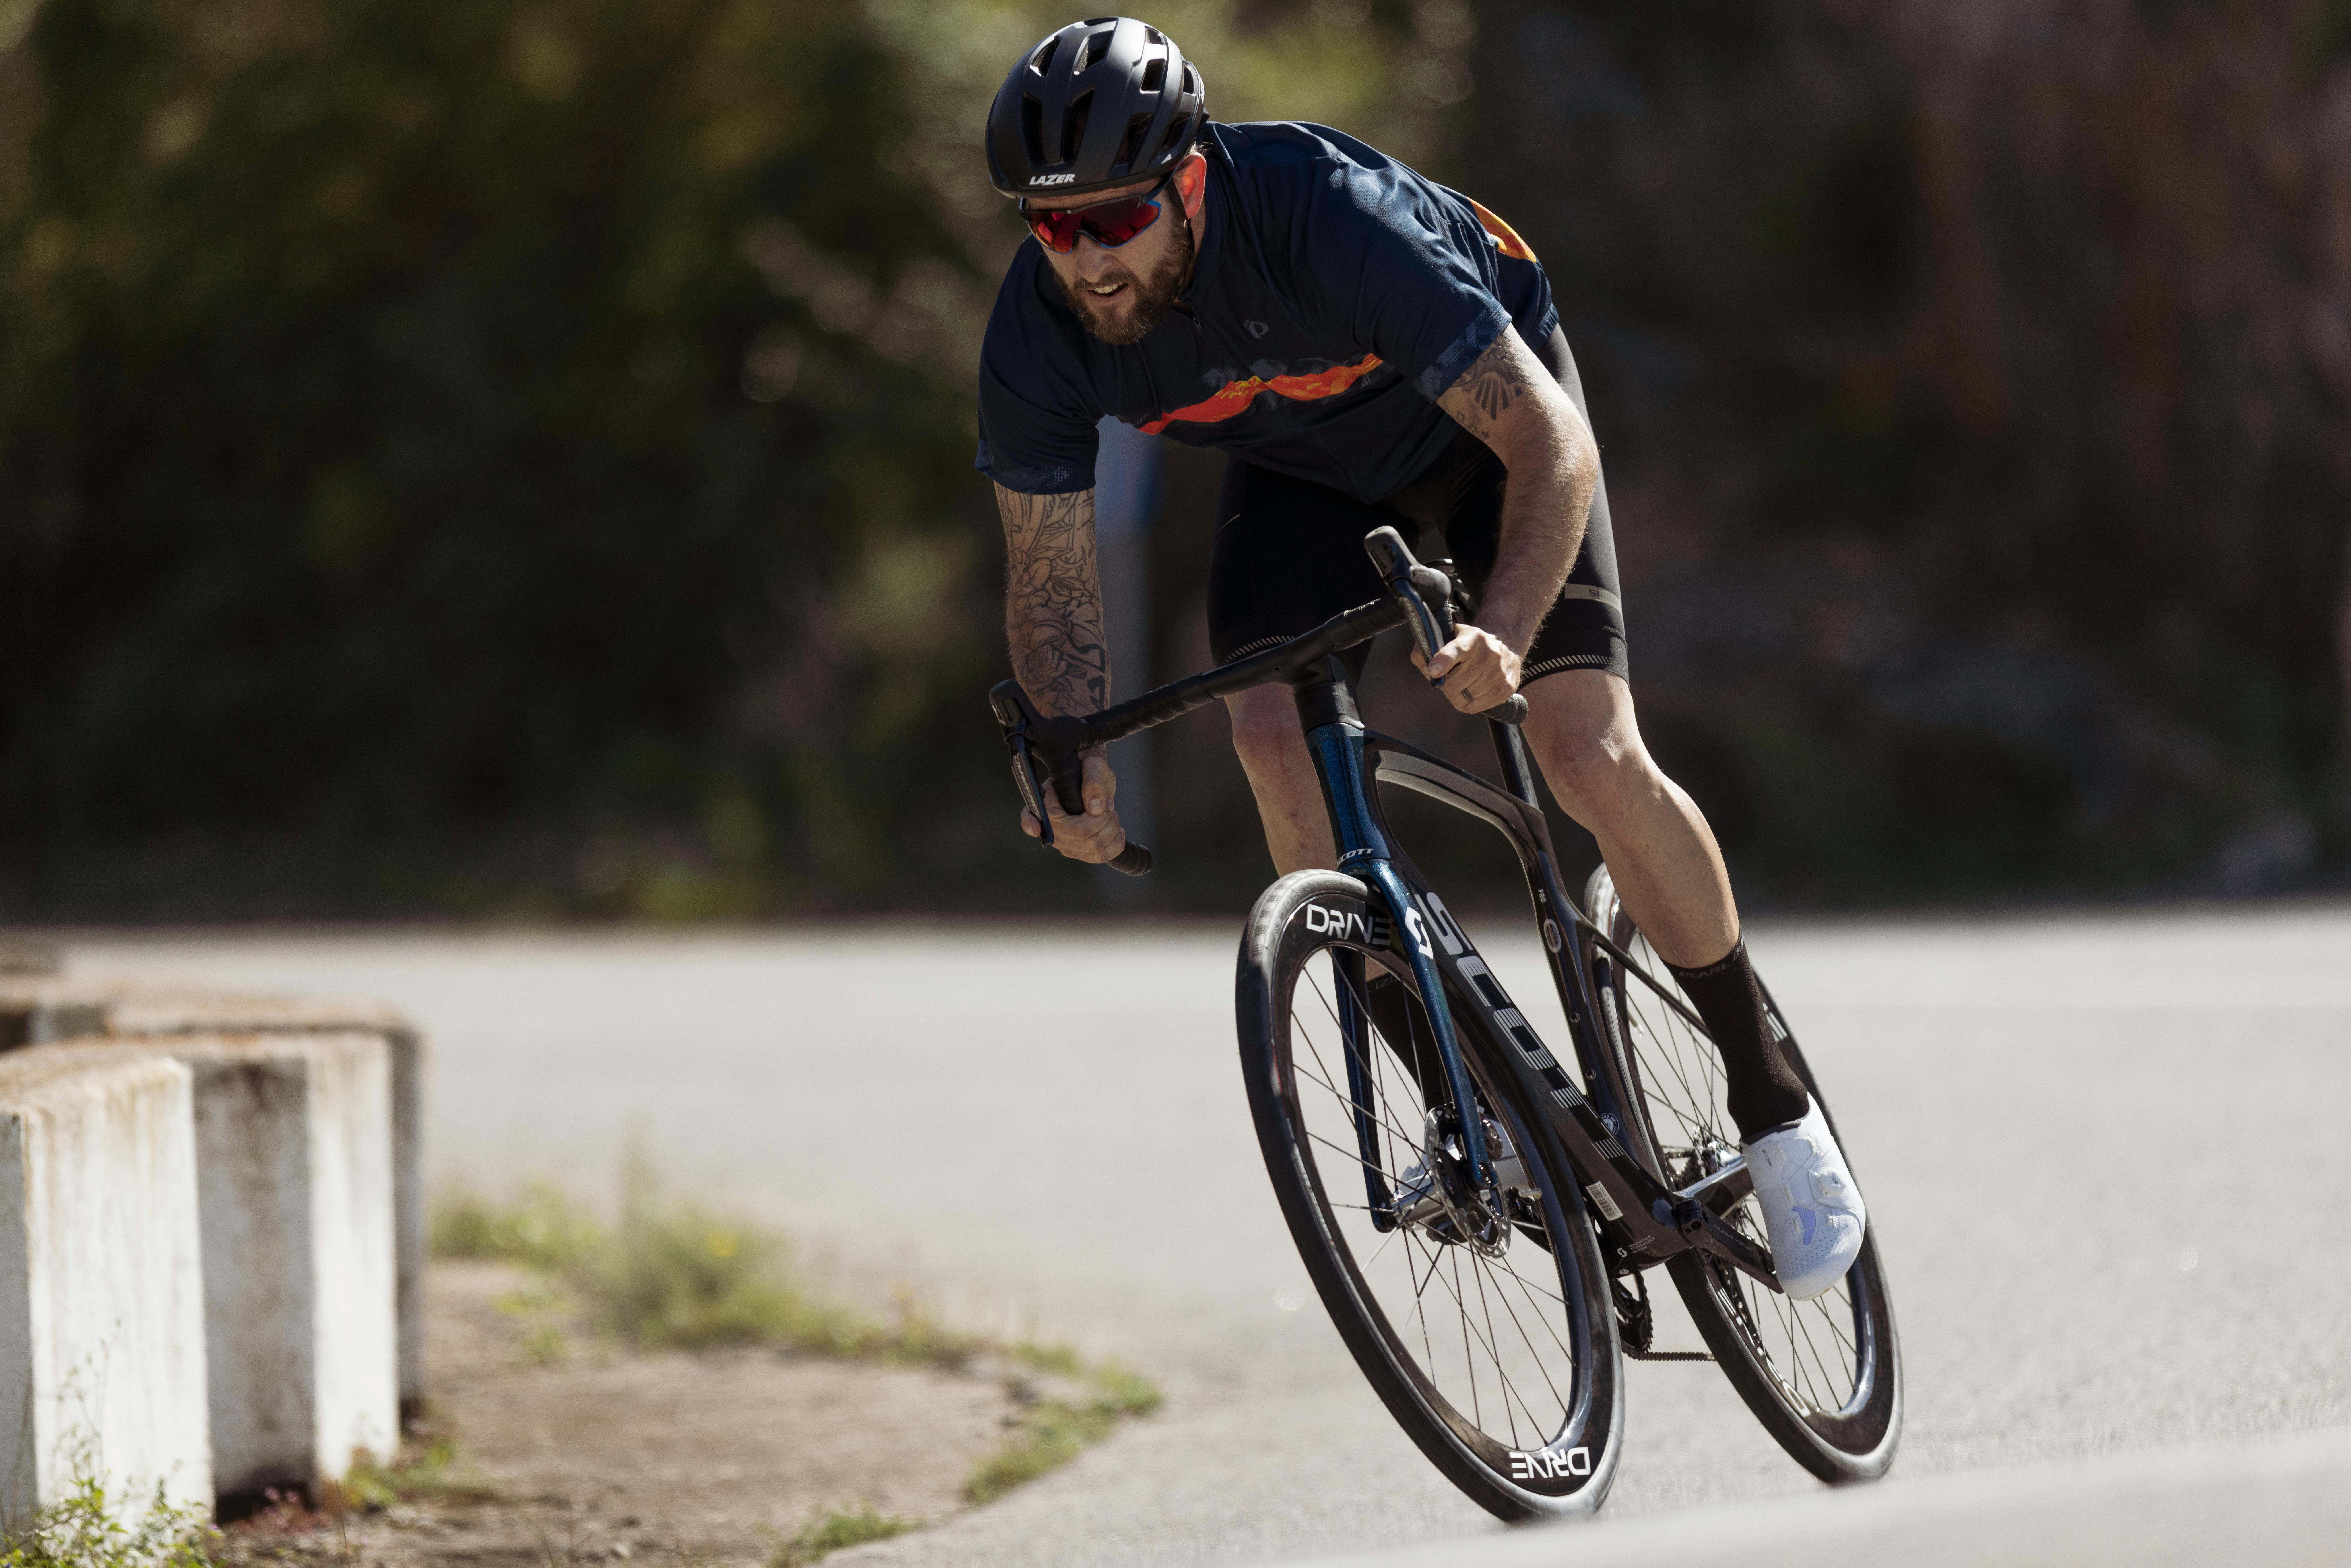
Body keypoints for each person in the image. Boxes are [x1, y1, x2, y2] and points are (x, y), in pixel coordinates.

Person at [974, 17, 1863, 1298]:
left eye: (1111, 220)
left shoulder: (1328, 217)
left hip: (1492, 438)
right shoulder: (1036, 332)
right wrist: (1069, 752)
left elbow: (1549, 450)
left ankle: (1776, 1110)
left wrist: (1502, 629)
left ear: (1189, 178)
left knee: (1582, 749)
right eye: (1049, 228)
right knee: (1268, 735)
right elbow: (1050, 581)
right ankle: (1466, 1106)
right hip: (1306, 476)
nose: (1085, 261)